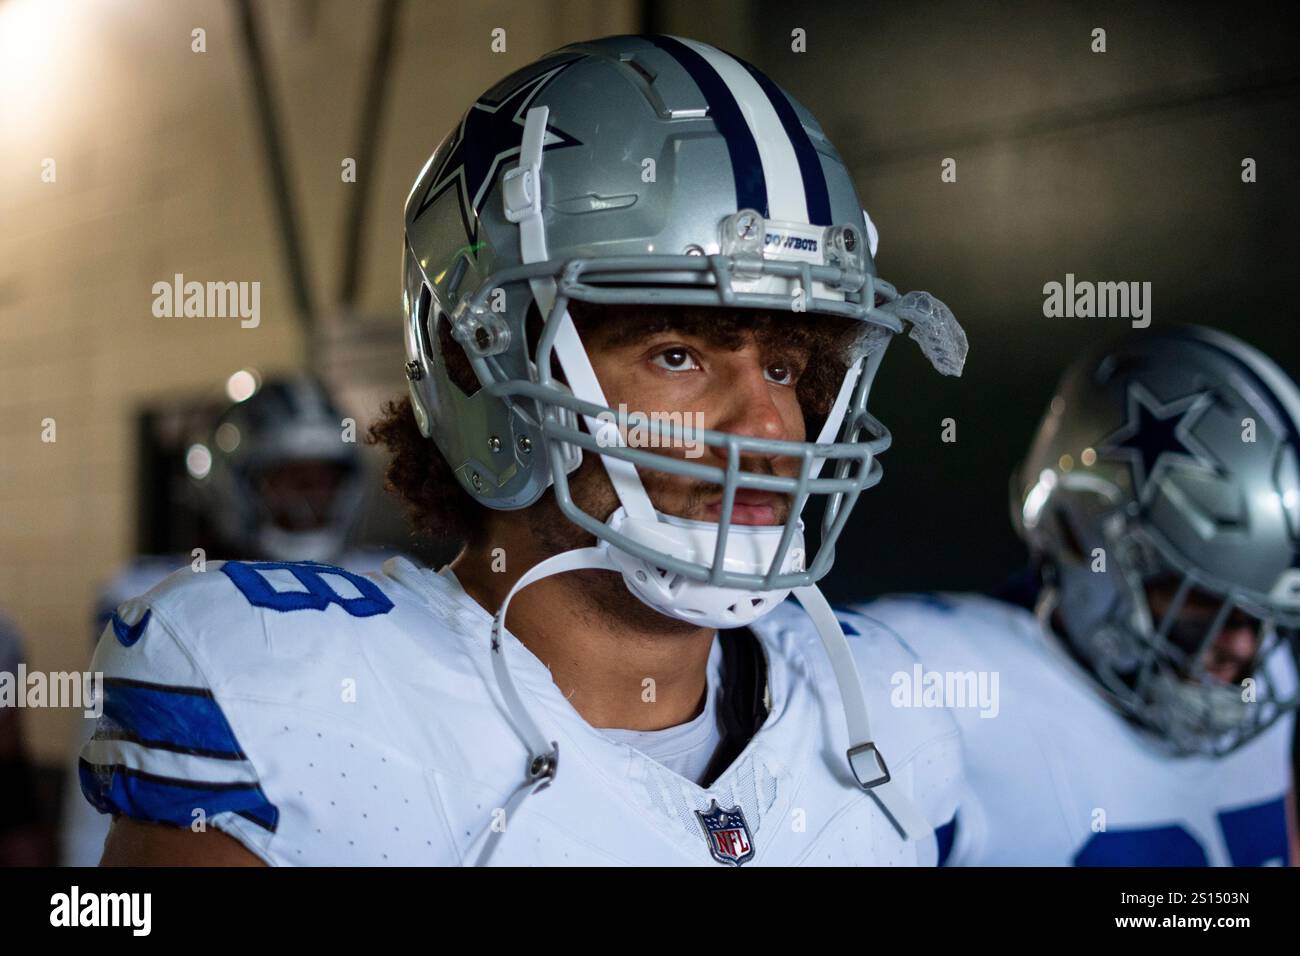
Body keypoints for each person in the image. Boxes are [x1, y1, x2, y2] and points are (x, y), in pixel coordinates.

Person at [82, 34, 967, 866]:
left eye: (784, 364)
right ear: (483, 363)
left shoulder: (884, 701)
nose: (768, 427)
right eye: (678, 354)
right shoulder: (286, 691)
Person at [860, 326, 1300, 865]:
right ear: (1075, 535)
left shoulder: (1265, 677)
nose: (1239, 648)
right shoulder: (935, 689)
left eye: (1263, 614)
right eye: (1203, 601)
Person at [61, 375, 380, 865]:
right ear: (233, 482)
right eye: (287, 476)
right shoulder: (156, 595)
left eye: (324, 477)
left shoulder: (386, 579)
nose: (310, 495)